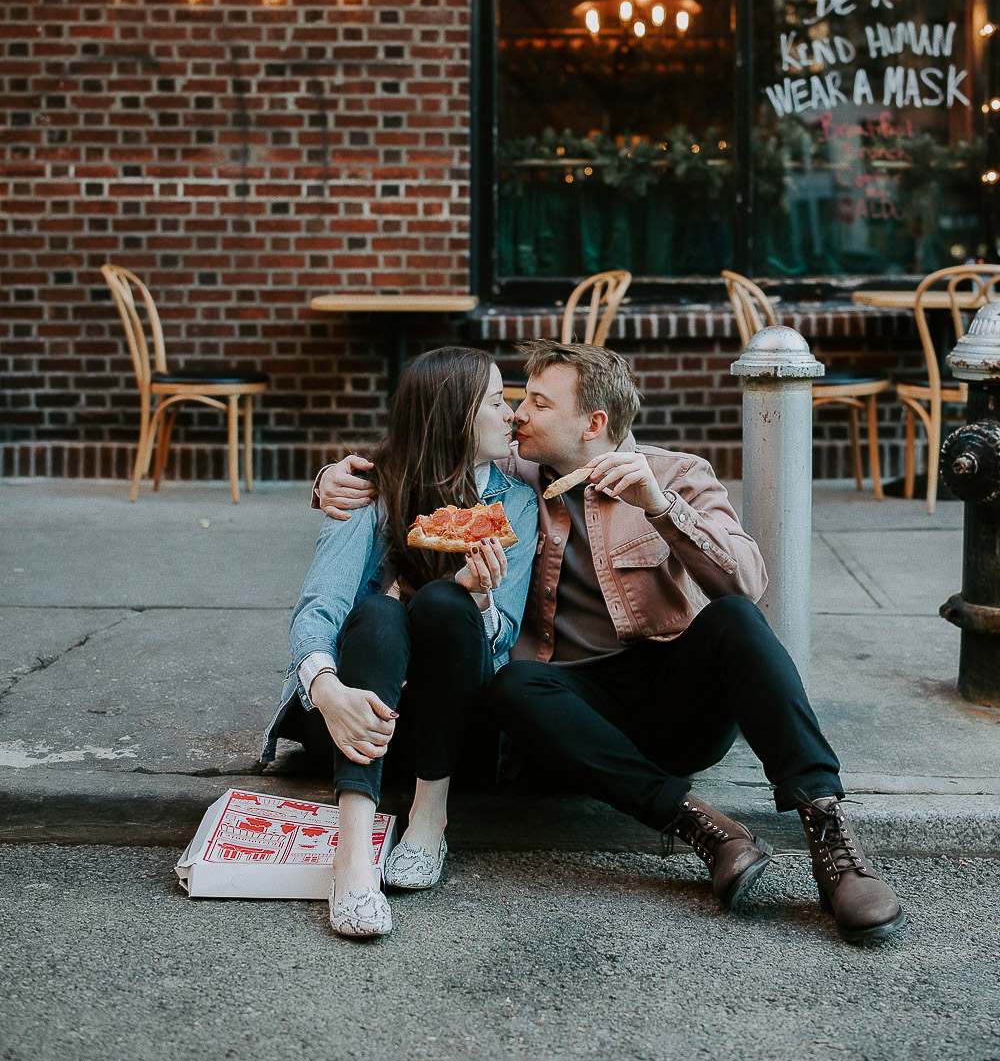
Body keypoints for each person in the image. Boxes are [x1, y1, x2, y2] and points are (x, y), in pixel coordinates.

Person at [317, 339, 904, 947]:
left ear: (593, 423)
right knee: (513, 686)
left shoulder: (676, 474)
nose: (516, 414)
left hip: (671, 698)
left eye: (538, 403)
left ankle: (829, 833)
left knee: (733, 618)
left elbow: (748, 581)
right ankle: (702, 827)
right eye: (517, 400)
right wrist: (331, 479)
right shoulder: (514, 478)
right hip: (570, 710)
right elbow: (429, 448)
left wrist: (659, 506)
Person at [262, 346, 538, 940]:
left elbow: (501, 641)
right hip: (351, 716)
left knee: (443, 601)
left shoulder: (515, 503)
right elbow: (320, 608)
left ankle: (429, 817)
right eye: (496, 400)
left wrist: (477, 597)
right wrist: (327, 689)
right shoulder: (369, 488)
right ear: (454, 418)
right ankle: (354, 859)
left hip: (452, 729)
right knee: (379, 614)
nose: (511, 413)